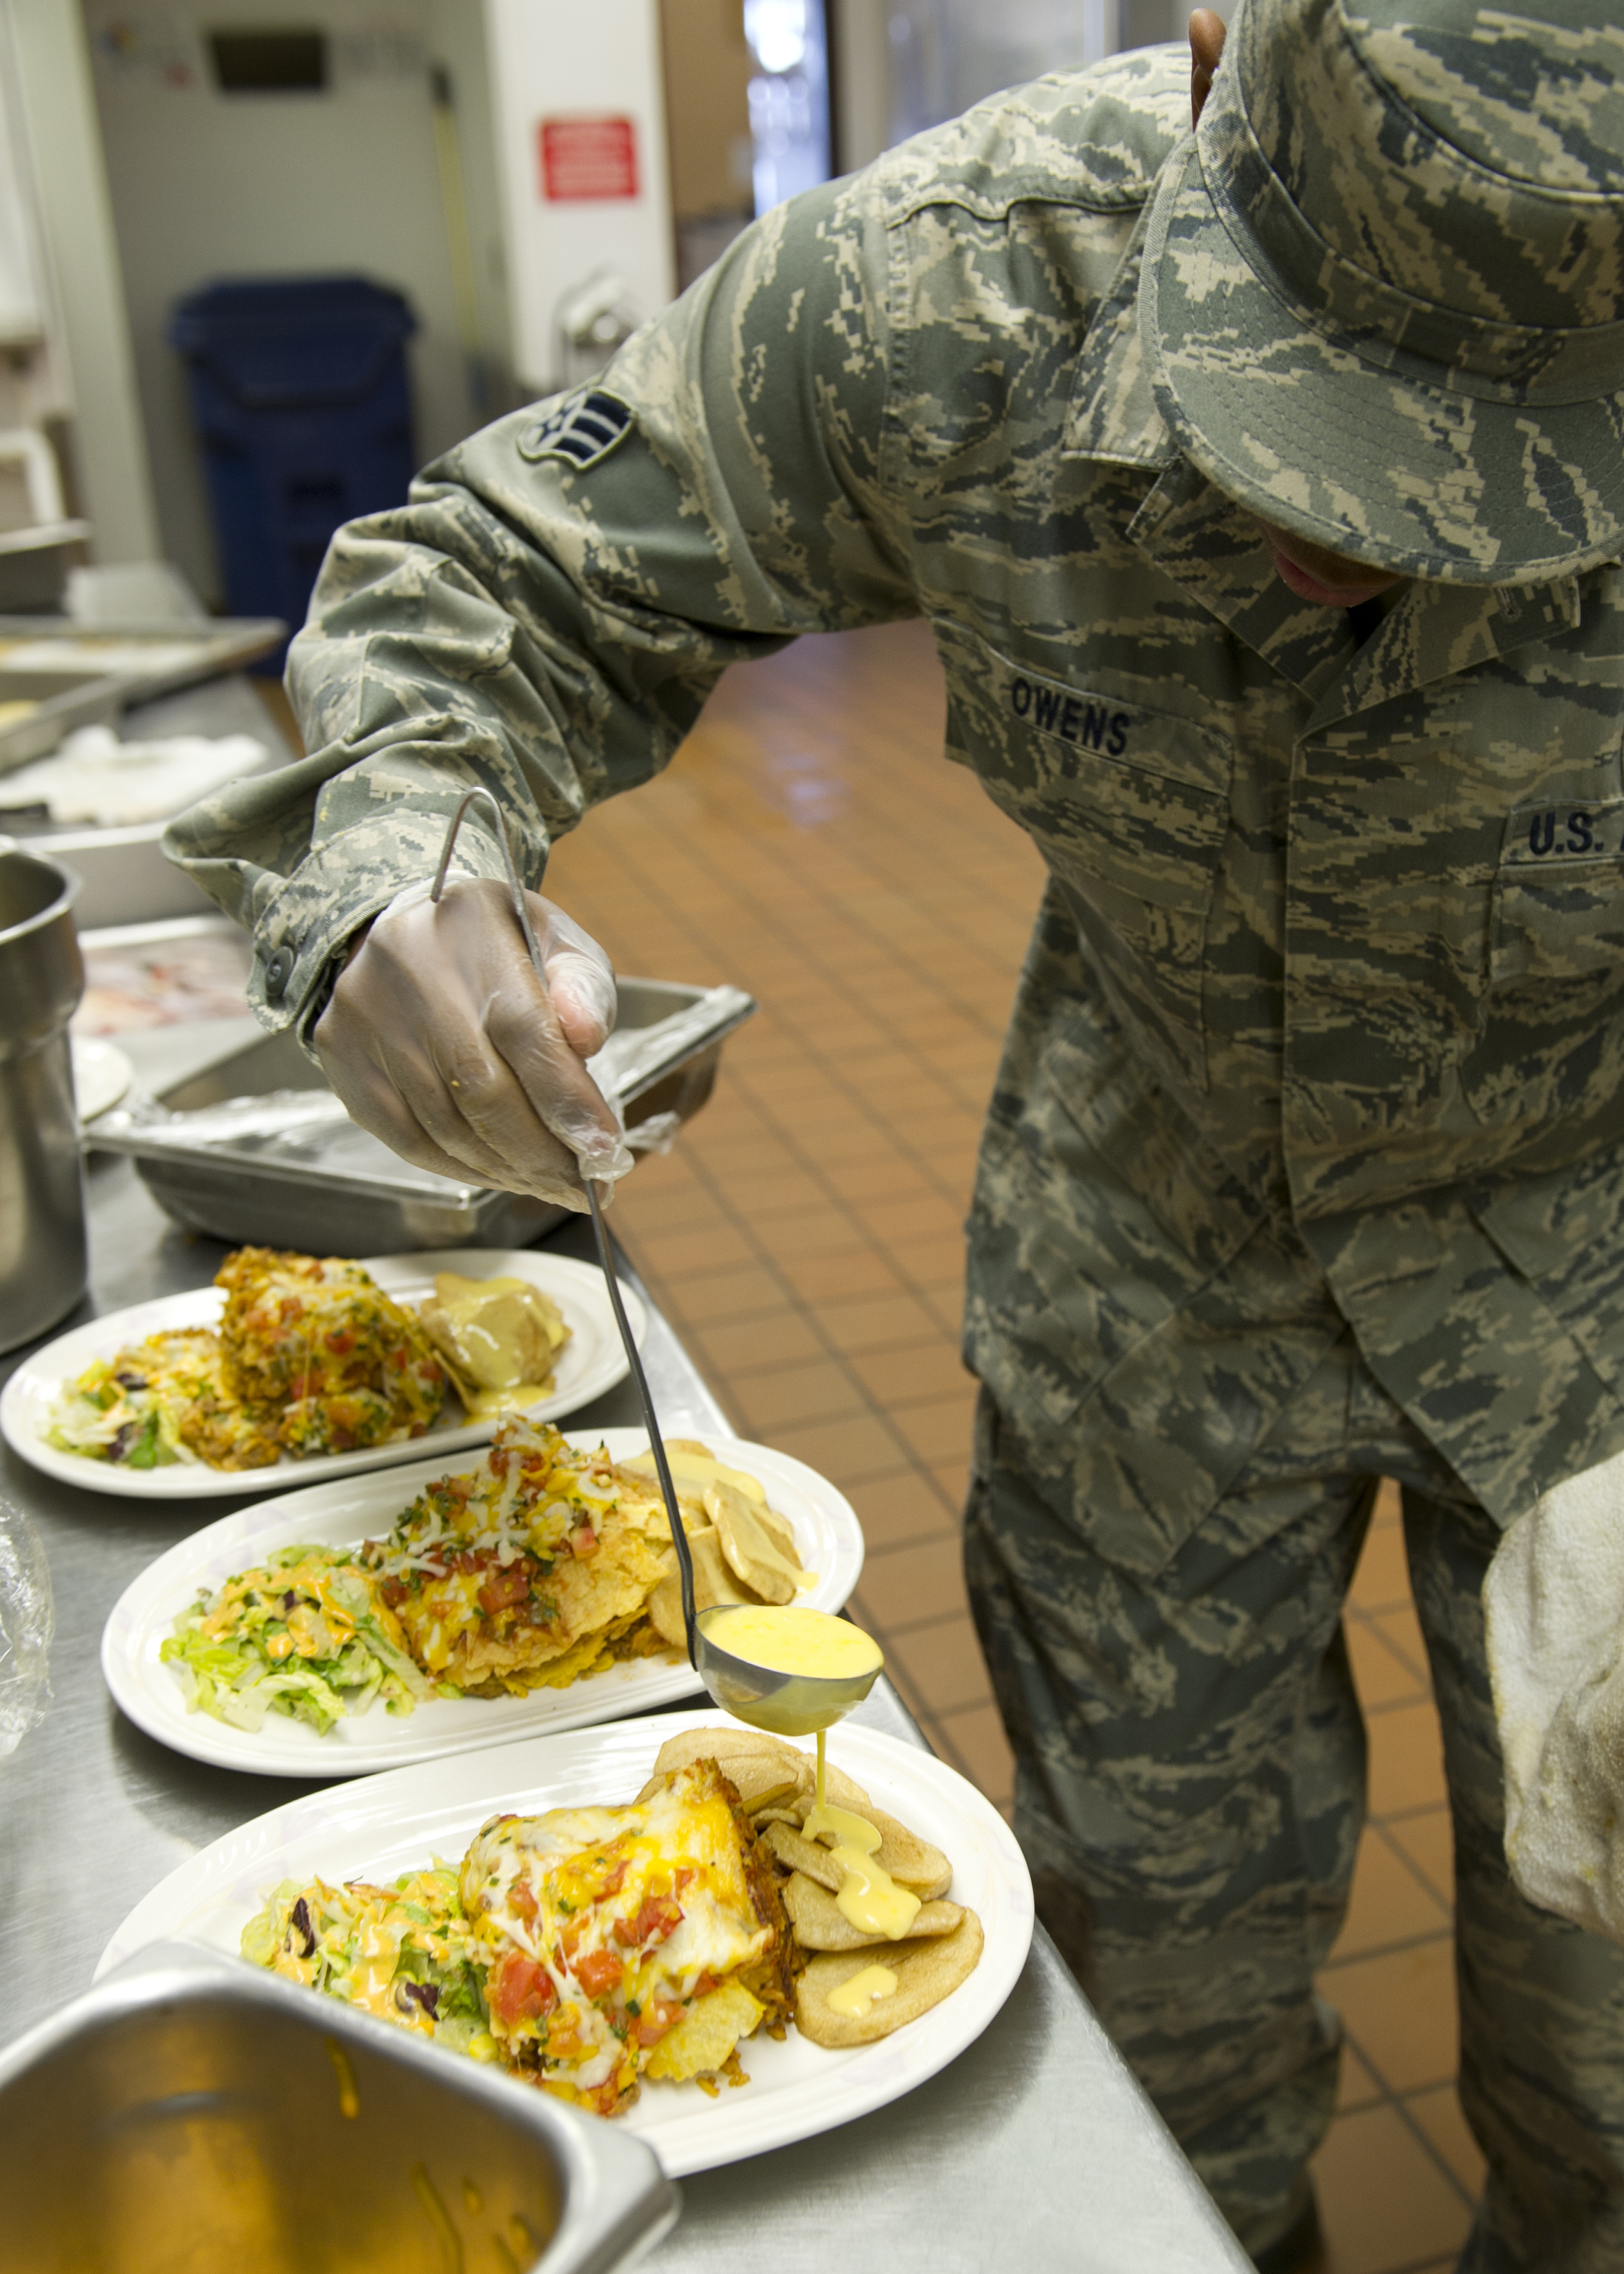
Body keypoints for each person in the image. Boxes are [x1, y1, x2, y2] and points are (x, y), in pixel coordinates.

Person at [166, 1, 1624, 2264]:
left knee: (1612, 2062)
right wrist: (400, 869)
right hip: (1158, 1267)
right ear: (1224, 69)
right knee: (1151, 1984)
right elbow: (504, 569)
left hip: (1604, 1286)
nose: (1357, 539)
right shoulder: (959, 284)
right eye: (1301, 408)